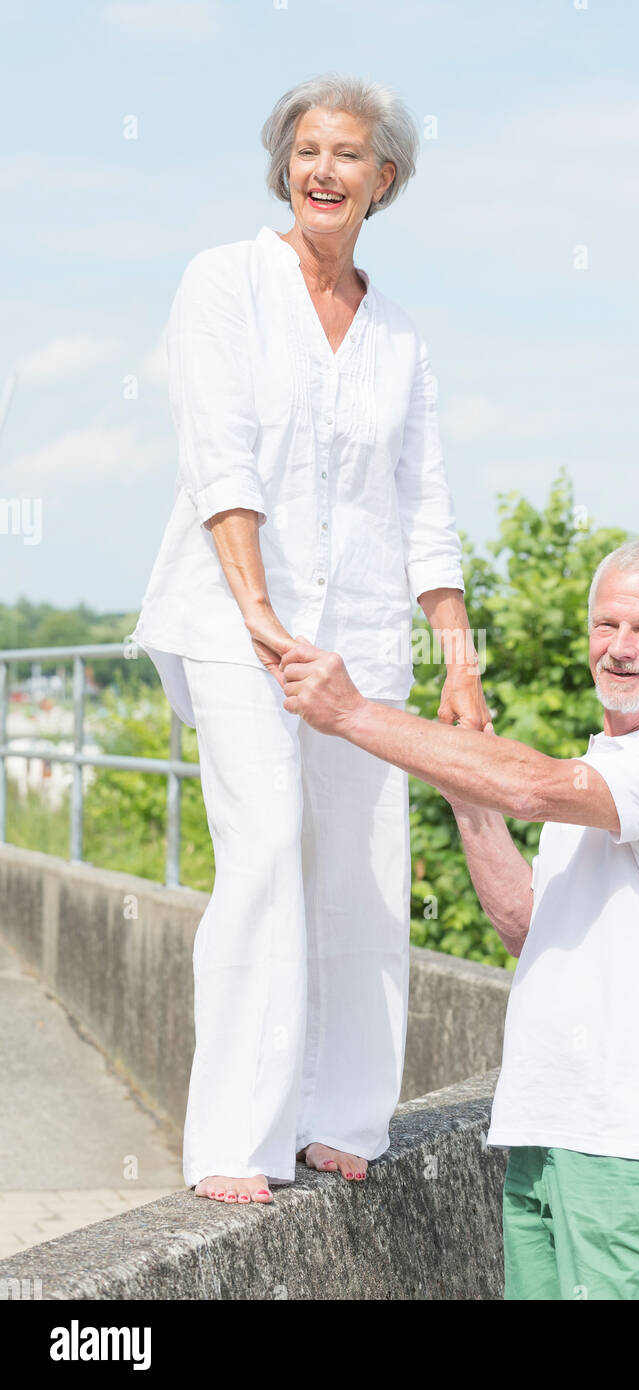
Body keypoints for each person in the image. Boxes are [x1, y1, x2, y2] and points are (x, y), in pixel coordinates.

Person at [131, 73, 489, 1205]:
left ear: (385, 180)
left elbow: (421, 500)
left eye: (349, 155)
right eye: (307, 150)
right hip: (240, 625)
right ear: (285, 164)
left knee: (368, 869)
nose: (324, 170)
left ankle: (341, 1116)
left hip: (367, 638)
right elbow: (219, 455)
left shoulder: (399, 336)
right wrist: (257, 613)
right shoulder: (223, 282)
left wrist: (458, 654)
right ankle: (238, 1135)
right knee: (267, 852)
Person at [277, 536, 639, 1298]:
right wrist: (470, 797)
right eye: (606, 625)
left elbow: (530, 786)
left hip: (629, 1140)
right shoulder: (605, 768)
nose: (620, 647)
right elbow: (524, 924)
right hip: (550, 1125)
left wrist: (352, 714)